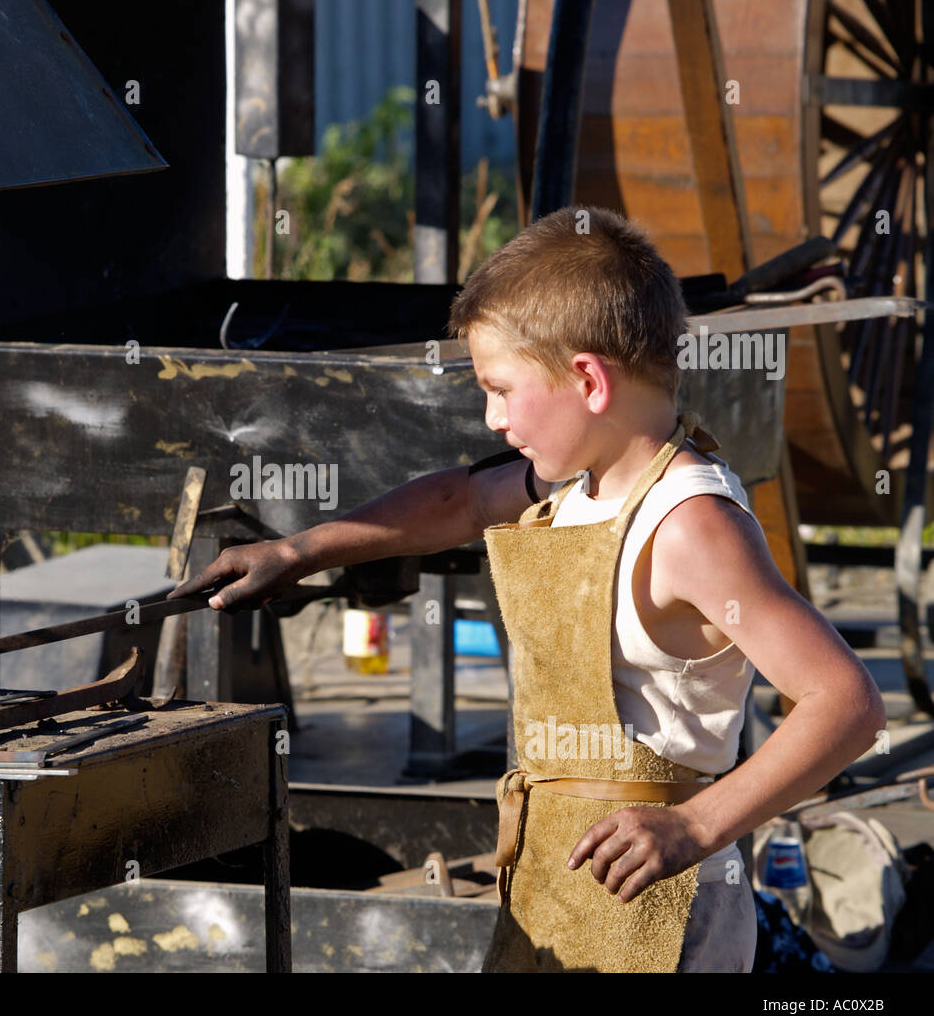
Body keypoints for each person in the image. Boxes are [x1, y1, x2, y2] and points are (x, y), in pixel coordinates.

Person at [168, 205, 886, 972]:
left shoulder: (690, 525)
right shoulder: (576, 484)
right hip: (555, 879)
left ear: (587, 378)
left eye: (502, 389)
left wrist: (696, 826)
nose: (493, 415)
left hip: (673, 908)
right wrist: (299, 550)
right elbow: (461, 500)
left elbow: (847, 703)